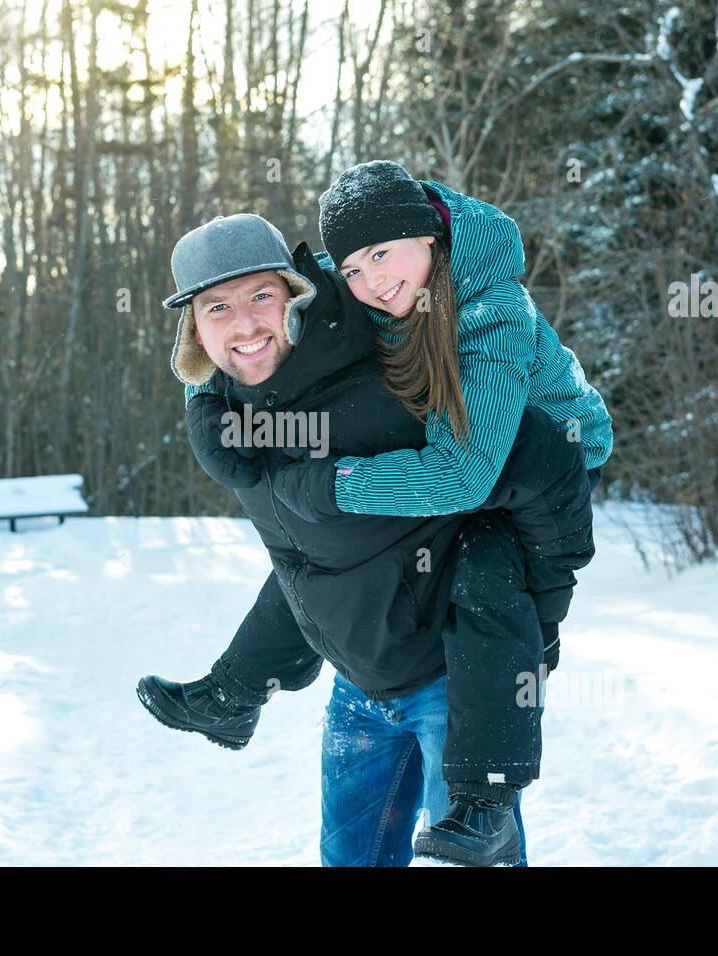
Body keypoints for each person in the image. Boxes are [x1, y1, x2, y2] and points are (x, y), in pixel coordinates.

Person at [149, 161, 614, 865]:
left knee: (487, 572)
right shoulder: (357, 310)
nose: (372, 280)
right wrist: (203, 407)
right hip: (365, 673)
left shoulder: (488, 314)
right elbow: (226, 344)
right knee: (314, 558)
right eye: (355, 268)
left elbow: (465, 472)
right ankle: (234, 692)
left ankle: (482, 800)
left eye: (261, 298)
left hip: (535, 467)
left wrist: (339, 485)